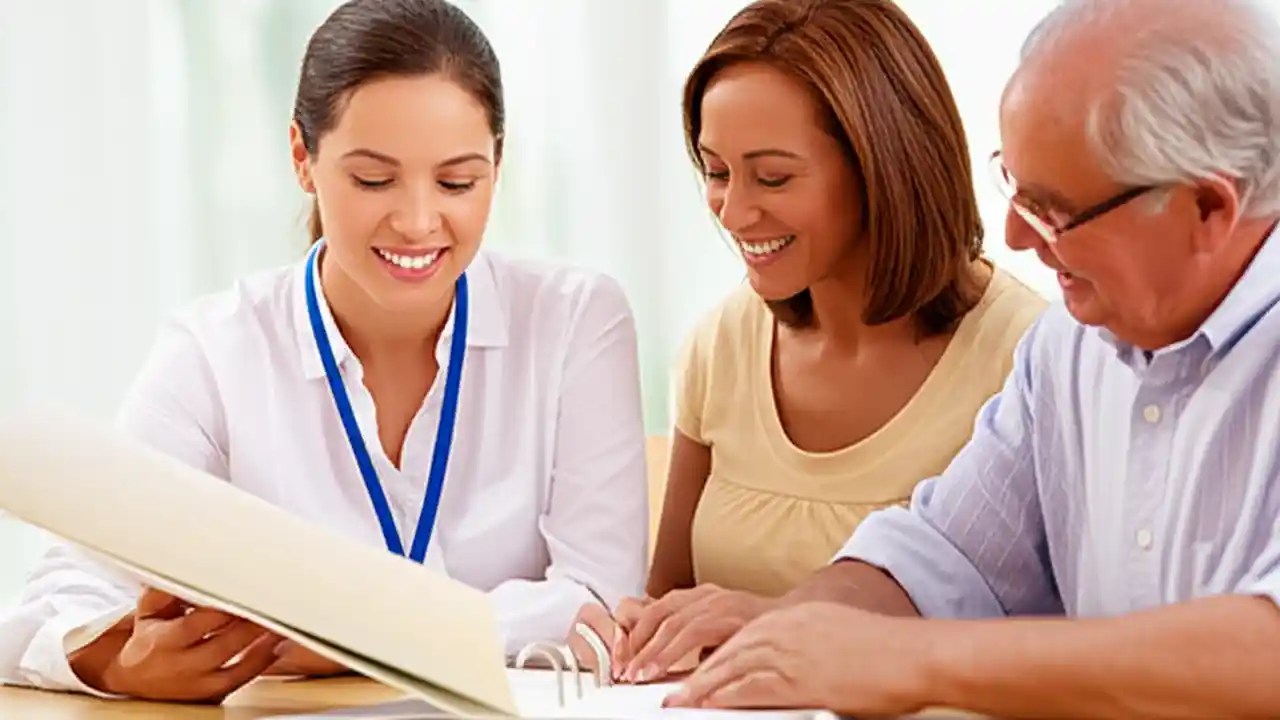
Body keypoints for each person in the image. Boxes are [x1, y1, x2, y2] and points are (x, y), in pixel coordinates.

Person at [0, 0, 647, 704]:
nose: (419, 221)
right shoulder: (216, 350)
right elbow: (59, 597)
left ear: (499, 160)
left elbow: (600, 600)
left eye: (458, 182)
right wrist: (114, 664)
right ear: (302, 158)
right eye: (373, 180)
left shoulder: (576, 320)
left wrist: (351, 636)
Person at [661, 0, 1280, 717]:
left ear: (1208, 208)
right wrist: (794, 627)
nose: (1015, 236)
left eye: (1053, 210)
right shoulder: (1069, 349)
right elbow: (941, 554)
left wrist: (906, 661)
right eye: (1013, 187)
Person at [567, 0, 1047, 680]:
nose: (733, 212)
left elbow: (1046, 637)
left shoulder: (1030, 359)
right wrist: (638, 631)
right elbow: (670, 595)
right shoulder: (724, 342)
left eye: (773, 177)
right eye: (715, 171)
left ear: (882, 166)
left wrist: (779, 627)